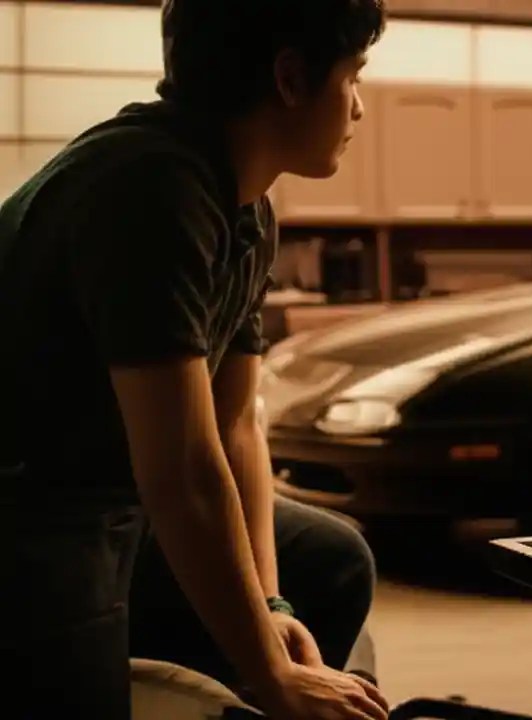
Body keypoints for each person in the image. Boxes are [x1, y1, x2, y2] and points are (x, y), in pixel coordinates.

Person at [0, 1, 391, 719]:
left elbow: (235, 422)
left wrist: (271, 612)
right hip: (35, 514)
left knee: (328, 561)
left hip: (119, 504)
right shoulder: (150, 187)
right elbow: (181, 470)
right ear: (291, 78)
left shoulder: (245, 204)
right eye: (355, 76)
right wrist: (271, 672)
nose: (360, 107)